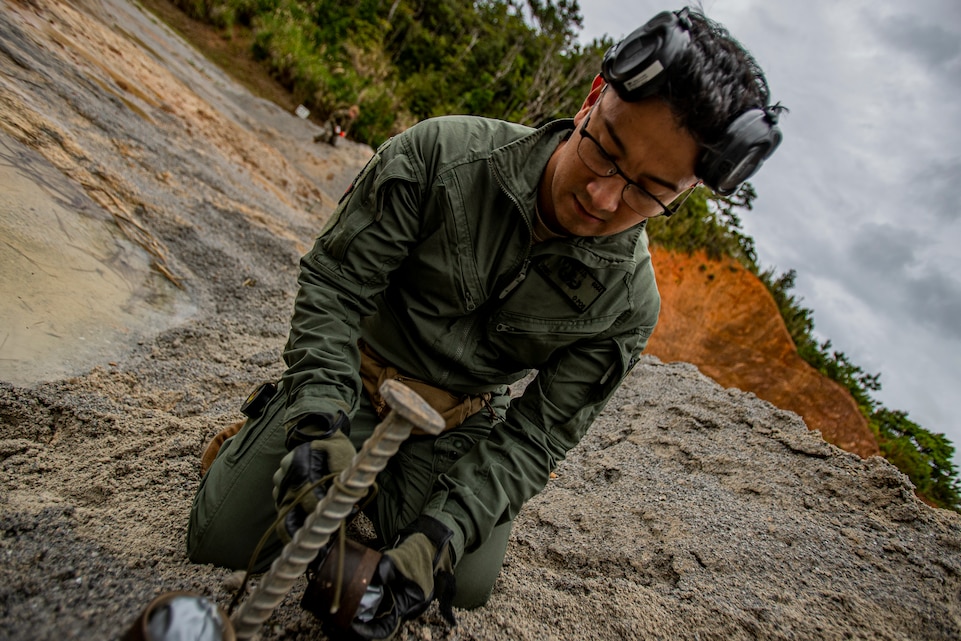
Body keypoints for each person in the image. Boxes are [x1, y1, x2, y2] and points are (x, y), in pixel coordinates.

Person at [187, 7, 783, 640]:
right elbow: (334, 289)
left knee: (463, 582)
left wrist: (439, 537)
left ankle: (383, 499)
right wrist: (315, 425)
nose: (605, 198)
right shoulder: (440, 154)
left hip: (461, 423)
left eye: (649, 192)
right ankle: (267, 433)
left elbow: (536, 439)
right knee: (221, 538)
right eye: (606, 152)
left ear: (685, 191)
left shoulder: (629, 305)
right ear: (591, 100)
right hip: (351, 379)